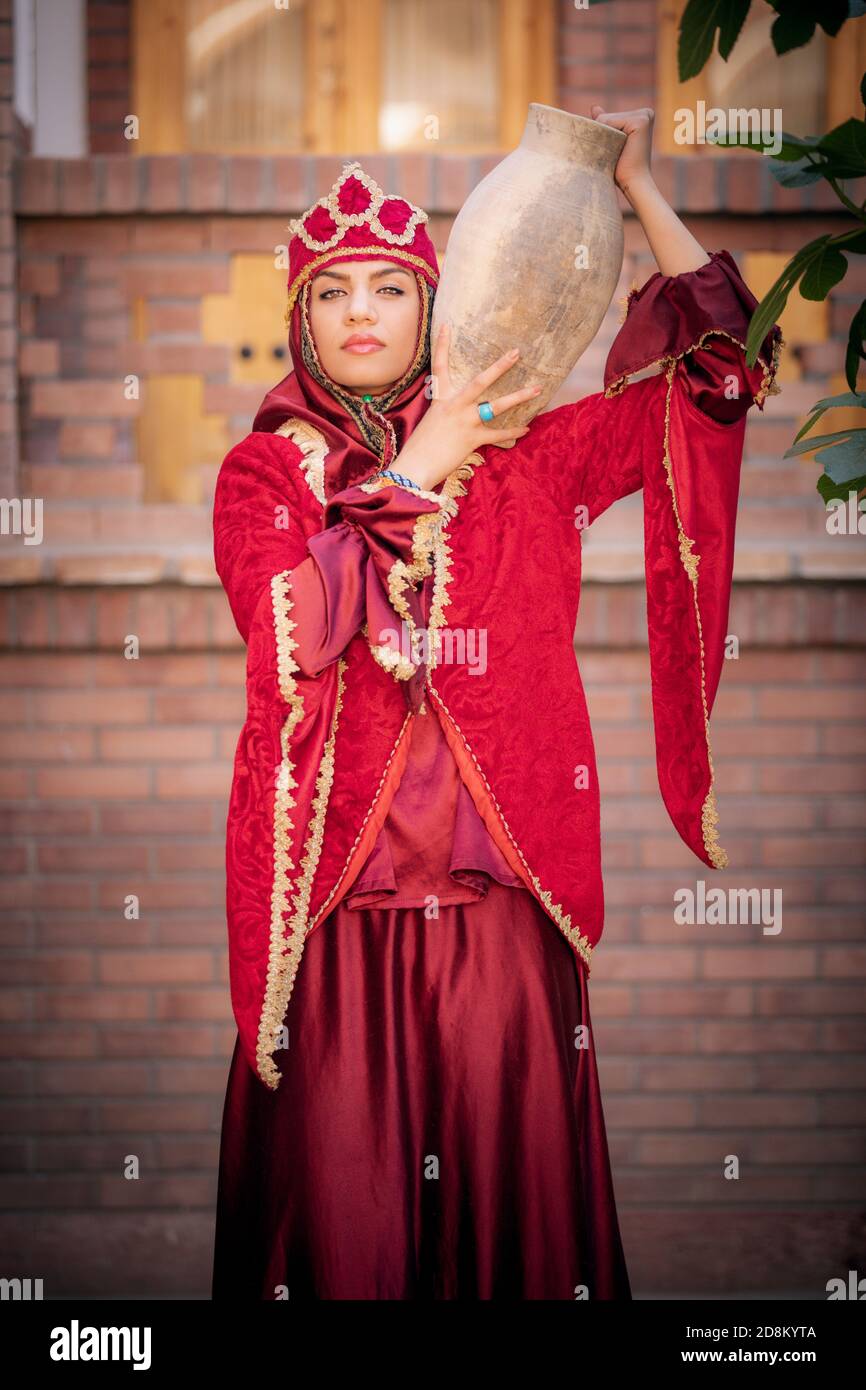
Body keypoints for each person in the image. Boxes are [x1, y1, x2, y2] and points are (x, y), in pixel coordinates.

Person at [211, 109, 783, 1300]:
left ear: (434, 307)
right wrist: (430, 449)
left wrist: (628, 182)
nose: (361, 312)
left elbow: (717, 378)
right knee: (343, 1243)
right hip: (335, 936)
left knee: (517, 1255)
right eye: (332, 293)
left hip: (501, 938)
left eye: (387, 287)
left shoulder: (528, 459)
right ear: (301, 319)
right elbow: (299, 628)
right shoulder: (268, 473)